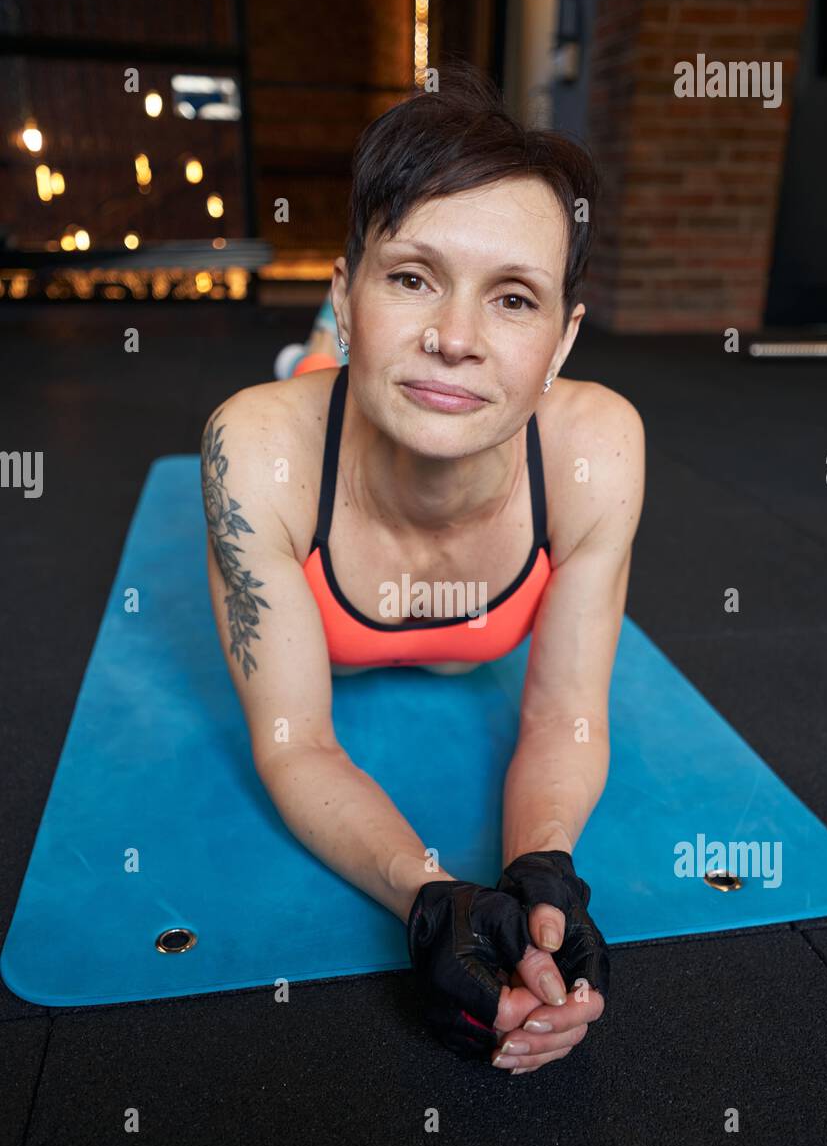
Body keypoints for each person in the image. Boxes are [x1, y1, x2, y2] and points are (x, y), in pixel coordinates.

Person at [200, 60, 645, 1074]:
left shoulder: (595, 449)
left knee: (406, 379)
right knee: (312, 379)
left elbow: (560, 717)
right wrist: (428, 897)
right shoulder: (255, 456)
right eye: (409, 276)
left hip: (386, 390)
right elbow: (296, 743)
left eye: (514, 300)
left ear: (564, 339)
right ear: (355, 281)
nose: (455, 337)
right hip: (330, 402)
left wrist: (541, 873)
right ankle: (320, 334)